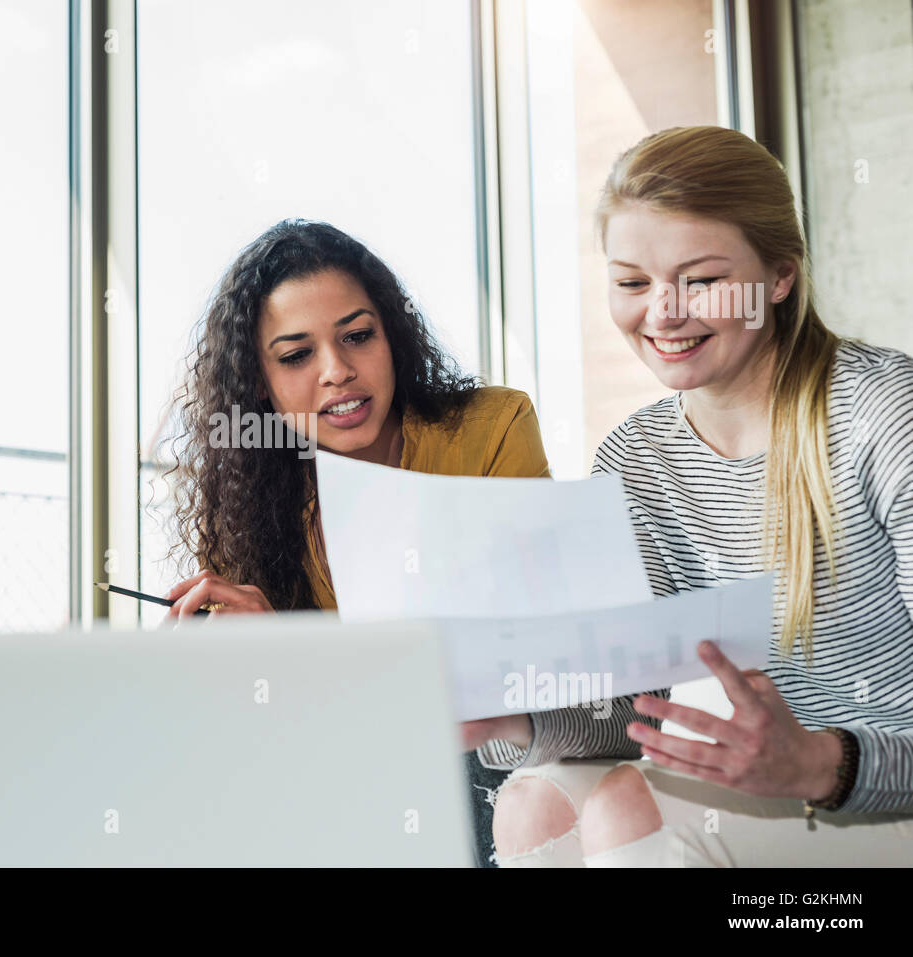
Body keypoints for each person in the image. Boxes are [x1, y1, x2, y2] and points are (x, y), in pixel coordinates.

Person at [479, 125, 913, 866]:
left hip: (879, 794)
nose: (663, 314)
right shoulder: (635, 458)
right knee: (532, 801)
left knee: (623, 805)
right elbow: (629, 717)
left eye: (701, 279)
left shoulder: (884, 417)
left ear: (779, 276)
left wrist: (817, 761)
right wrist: (510, 714)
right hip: (776, 793)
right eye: (631, 282)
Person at [157, 218, 552, 864]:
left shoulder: (493, 428)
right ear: (260, 382)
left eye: (357, 337)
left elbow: (509, 653)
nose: (337, 371)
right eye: (295, 356)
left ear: (389, 335)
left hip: (488, 752)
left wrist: (299, 651)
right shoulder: (251, 501)